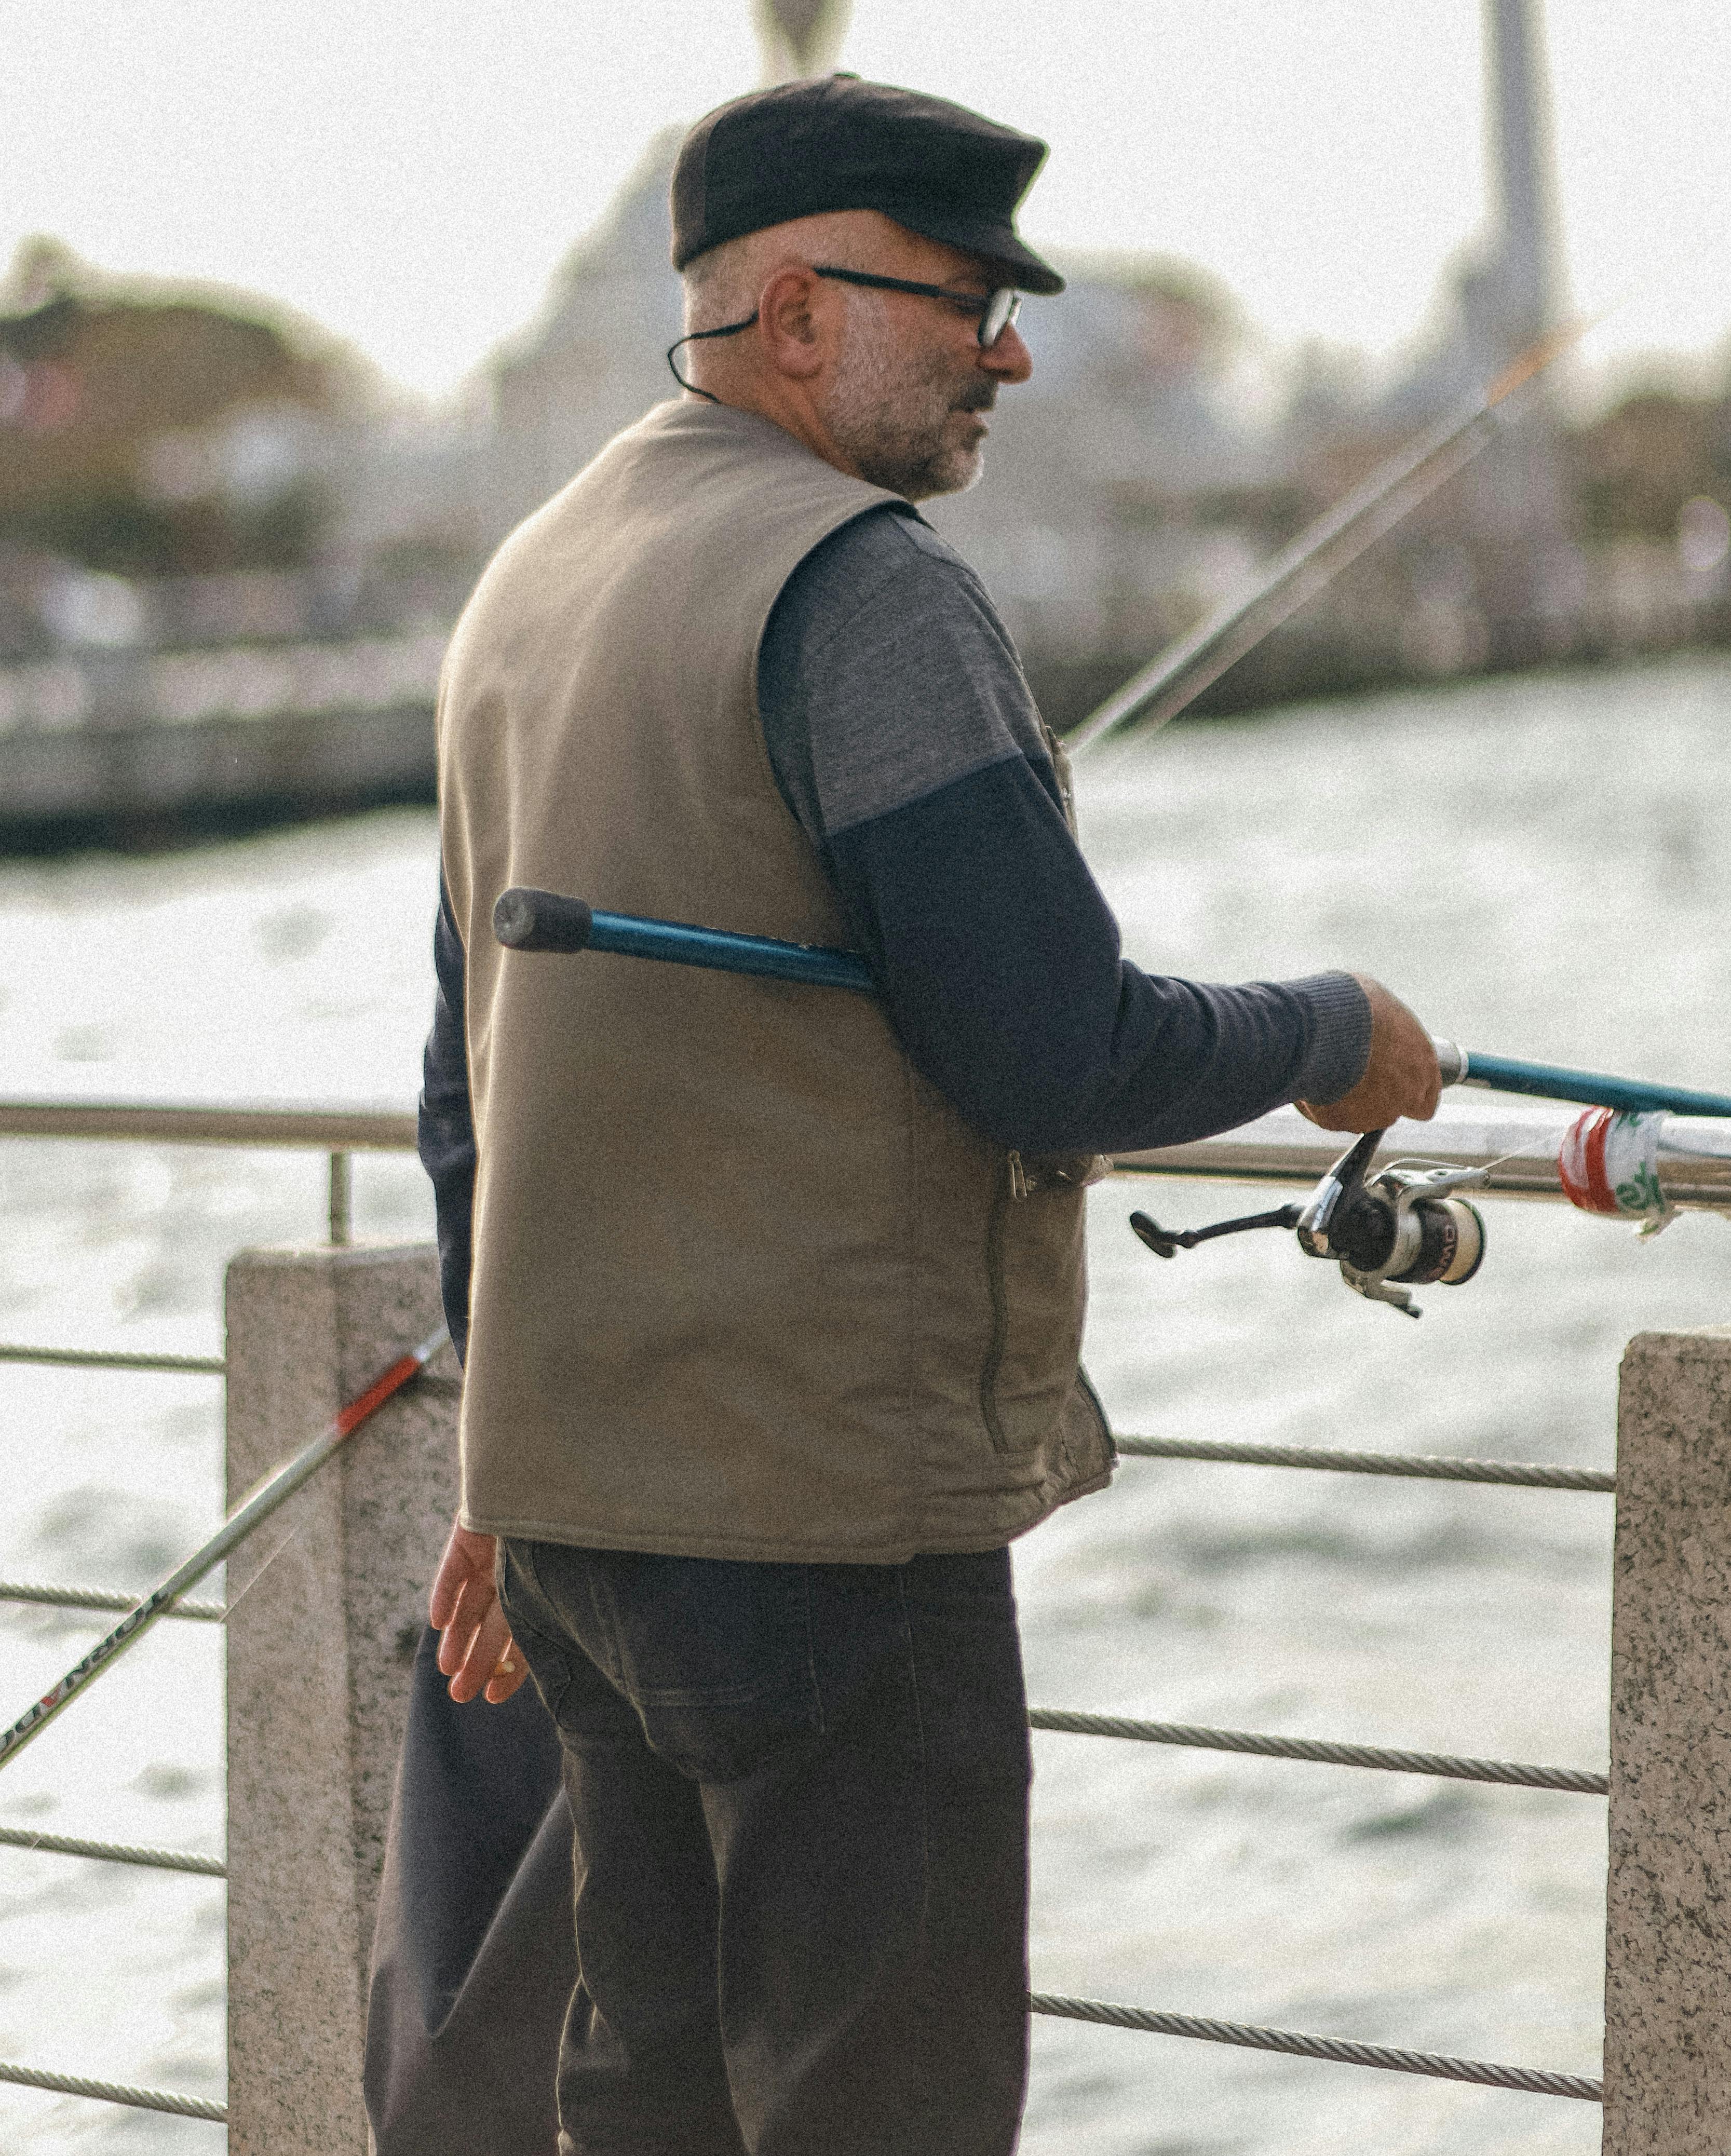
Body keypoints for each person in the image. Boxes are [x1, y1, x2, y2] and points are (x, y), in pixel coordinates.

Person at [397, 71, 1440, 2156]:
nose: (1011, 354)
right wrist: (1331, 1027)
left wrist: (499, 1460)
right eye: (970, 304)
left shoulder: (532, 578)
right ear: (799, 314)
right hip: (820, 1530)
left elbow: (468, 1082)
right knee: (882, 2104)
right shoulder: (865, 586)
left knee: (652, 2095)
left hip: (585, 1520)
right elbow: (1053, 1045)